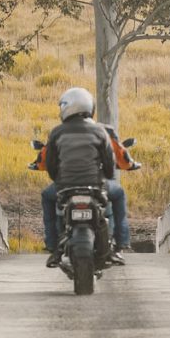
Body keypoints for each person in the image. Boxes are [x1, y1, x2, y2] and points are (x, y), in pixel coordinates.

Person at [41, 87, 122, 268]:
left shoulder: (57, 132)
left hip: (65, 187)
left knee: (47, 197)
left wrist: (59, 180)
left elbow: (51, 165)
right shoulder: (100, 132)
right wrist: (107, 176)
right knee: (118, 195)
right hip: (94, 186)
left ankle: (53, 247)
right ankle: (119, 245)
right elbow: (109, 165)